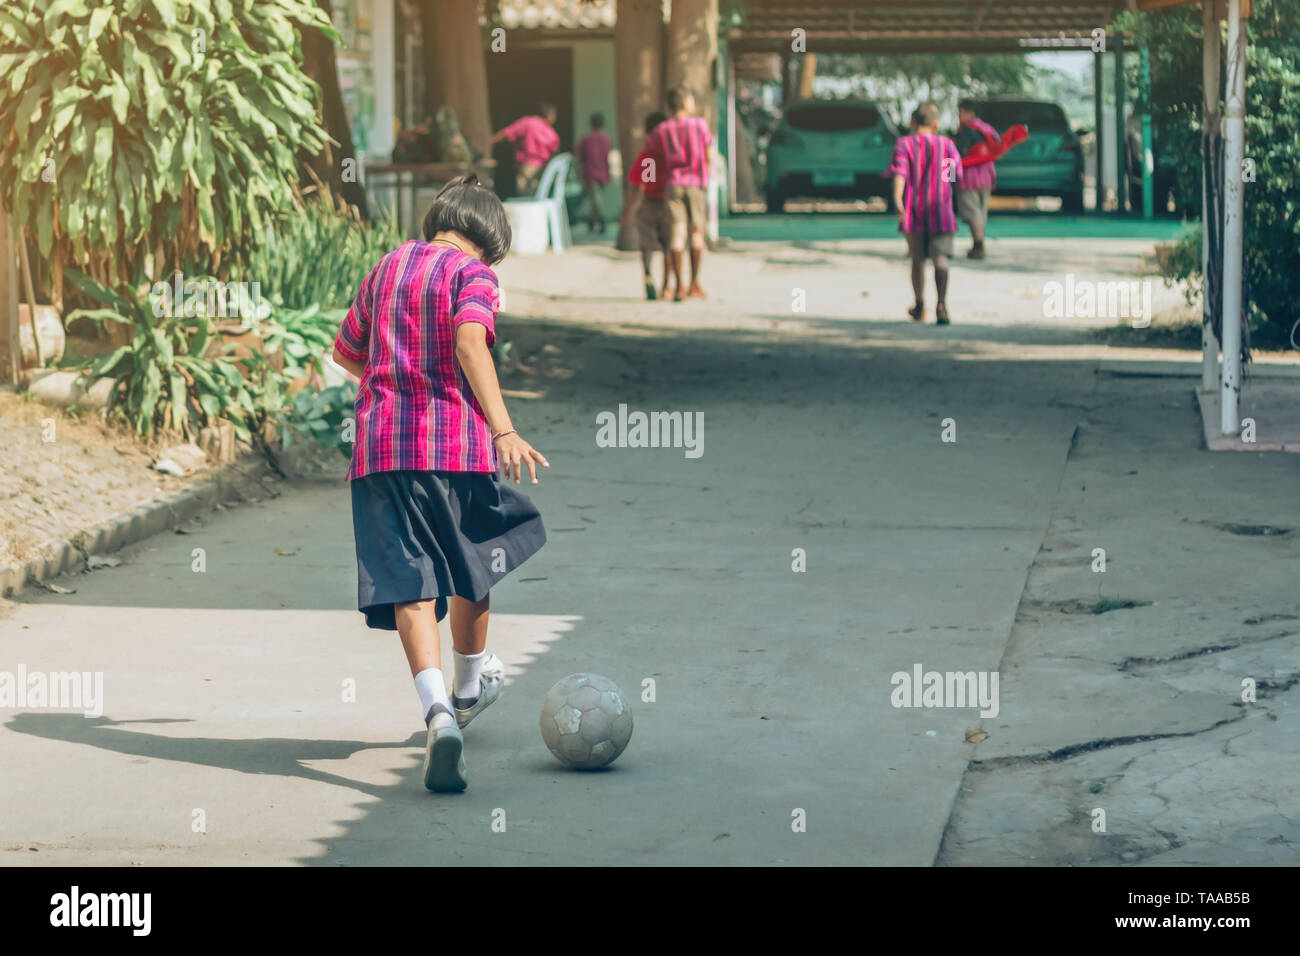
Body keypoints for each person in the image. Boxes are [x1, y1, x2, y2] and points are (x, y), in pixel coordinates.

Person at [331, 173, 549, 793]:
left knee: (410, 585)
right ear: (489, 242)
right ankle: (471, 682)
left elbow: (348, 354)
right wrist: (503, 429)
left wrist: (389, 392)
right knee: (474, 563)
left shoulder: (386, 268)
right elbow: (469, 342)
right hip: (452, 447)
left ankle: (439, 716)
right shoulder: (472, 275)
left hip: (379, 451)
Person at [890, 102, 963, 325]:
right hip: (941, 210)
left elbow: (900, 172)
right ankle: (942, 306)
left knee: (917, 260)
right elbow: (954, 177)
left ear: (913, 123)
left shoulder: (905, 144)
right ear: (936, 124)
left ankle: (919, 304)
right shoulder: (947, 145)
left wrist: (897, 199)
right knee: (940, 259)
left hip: (914, 211)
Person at [642, 86, 713, 301]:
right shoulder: (700, 125)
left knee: (677, 233)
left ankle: (678, 285)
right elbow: (708, 156)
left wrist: (651, 182)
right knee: (696, 233)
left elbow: (648, 157)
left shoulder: (661, 130)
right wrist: (705, 175)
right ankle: (694, 284)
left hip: (672, 184)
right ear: (685, 103)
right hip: (696, 183)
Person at [620, 111, 671, 300]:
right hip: (667, 202)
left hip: (649, 202)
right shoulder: (671, 151)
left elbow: (638, 185)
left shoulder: (647, 153)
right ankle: (666, 285)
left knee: (646, 246)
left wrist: (627, 212)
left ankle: (648, 274)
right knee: (668, 246)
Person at [954, 99, 1001, 260]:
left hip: (969, 178)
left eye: (960, 112)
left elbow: (957, 155)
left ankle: (978, 246)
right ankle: (979, 244)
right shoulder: (986, 129)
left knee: (972, 213)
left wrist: (949, 178)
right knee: (980, 213)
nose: (958, 116)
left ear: (970, 113)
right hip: (987, 176)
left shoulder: (966, 131)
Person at [492, 103, 560, 196]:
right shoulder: (549, 130)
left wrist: (492, 140)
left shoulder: (527, 123)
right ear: (550, 116)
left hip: (527, 167)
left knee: (525, 196)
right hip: (544, 167)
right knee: (538, 195)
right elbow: (555, 148)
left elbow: (507, 133)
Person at [575, 112, 612, 233]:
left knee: (595, 200)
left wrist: (578, 172)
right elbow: (608, 157)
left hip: (590, 173)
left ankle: (599, 221)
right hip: (603, 173)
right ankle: (595, 221)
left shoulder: (586, 139)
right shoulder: (607, 139)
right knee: (596, 199)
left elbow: (579, 156)